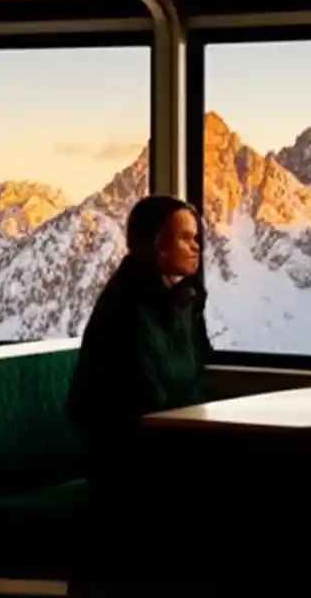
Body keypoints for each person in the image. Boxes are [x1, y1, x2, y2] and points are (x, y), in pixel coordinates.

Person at [66, 195, 213, 591]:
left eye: (197, 237)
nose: (197, 246)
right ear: (154, 245)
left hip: (169, 444)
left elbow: (198, 378)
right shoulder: (126, 311)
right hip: (126, 459)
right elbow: (141, 401)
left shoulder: (183, 301)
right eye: (185, 238)